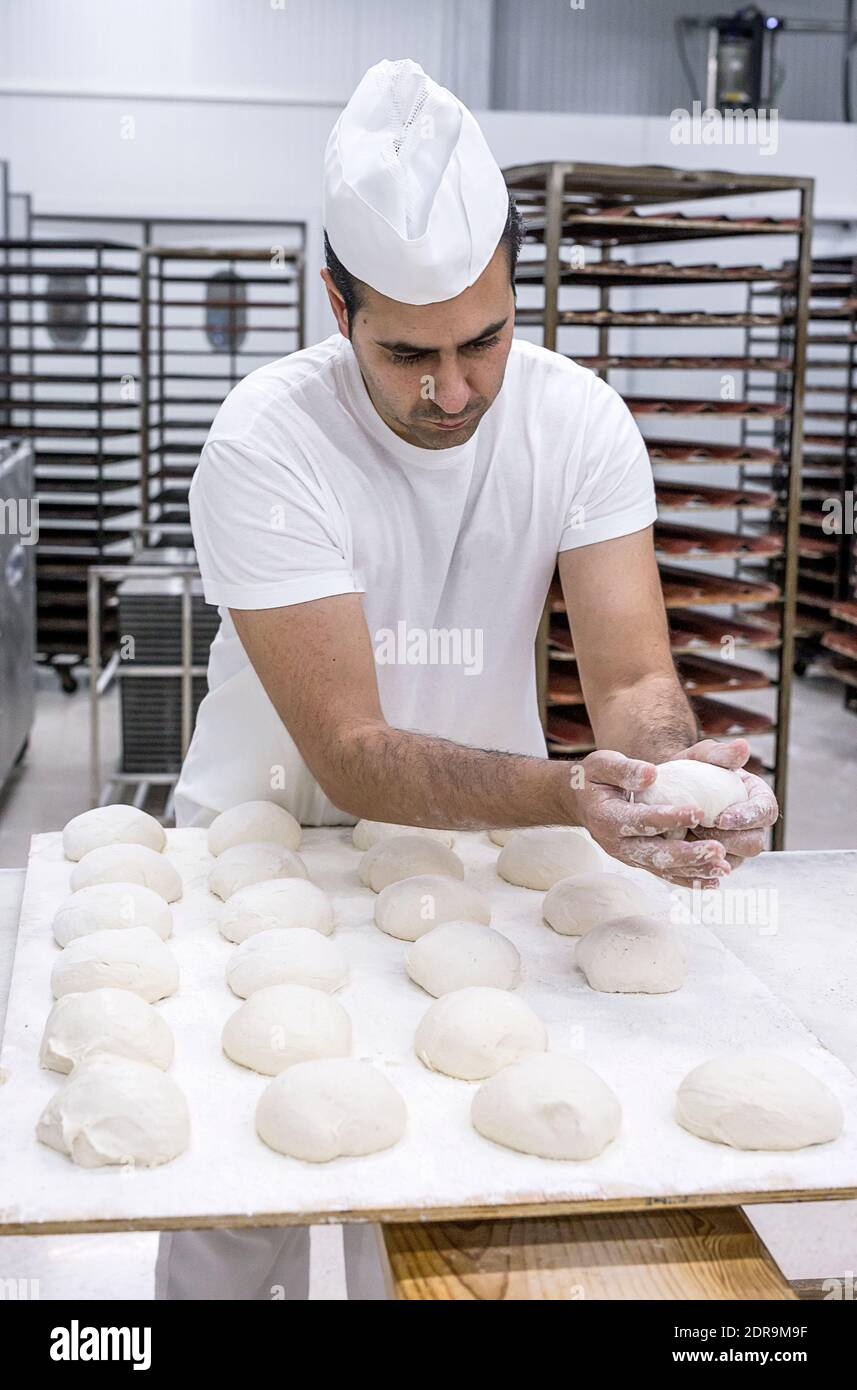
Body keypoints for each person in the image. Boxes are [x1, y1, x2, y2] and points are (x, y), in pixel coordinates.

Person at [158, 57, 777, 1300]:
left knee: (453, 1183)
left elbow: (635, 674)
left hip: (474, 849)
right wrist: (568, 795)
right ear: (336, 308)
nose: (452, 390)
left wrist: (667, 769)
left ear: (512, 290)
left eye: (482, 338)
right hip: (265, 837)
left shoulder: (579, 422)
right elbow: (346, 747)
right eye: (406, 354)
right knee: (239, 1198)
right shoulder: (267, 439)